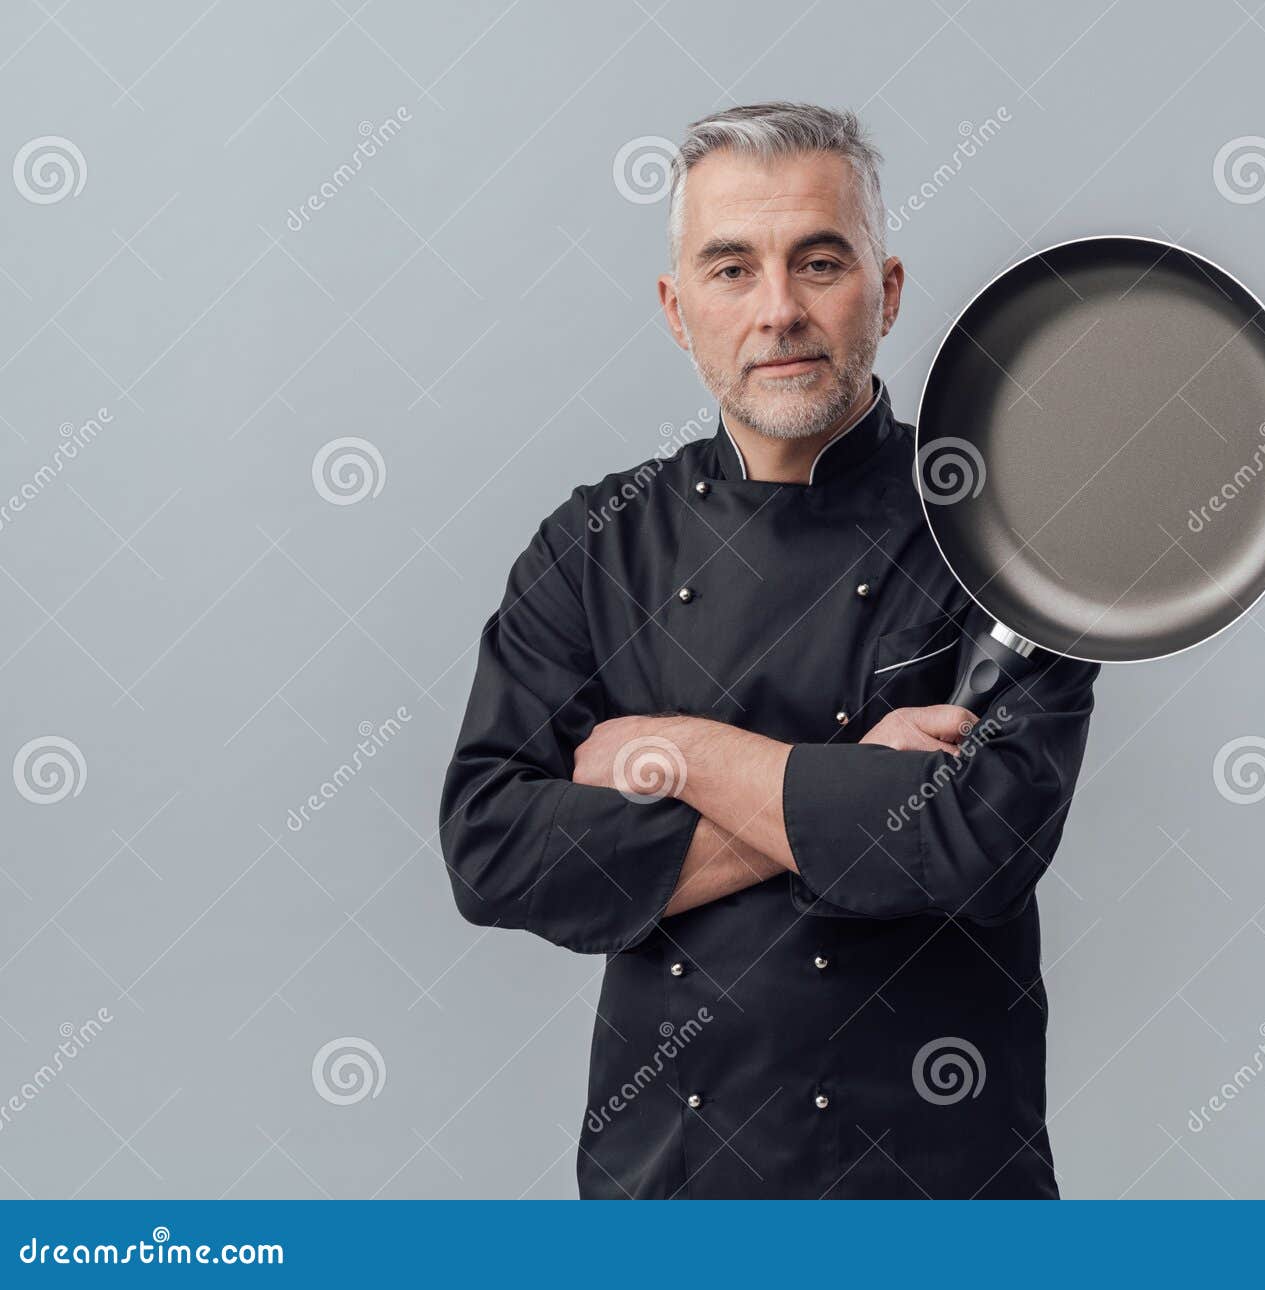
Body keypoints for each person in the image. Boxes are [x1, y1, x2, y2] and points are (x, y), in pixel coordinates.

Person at [438, 101, 1100, 1198]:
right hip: (671, 1187)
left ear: (885, 291)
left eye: (820, 261)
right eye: (731, 268)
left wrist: (674, 754)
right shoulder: (595, 547)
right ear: (676, 308)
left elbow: (978, 843)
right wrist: (861, 791)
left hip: (944, 1191)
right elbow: (493, 849)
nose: (779, 310)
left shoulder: (1007, 530)